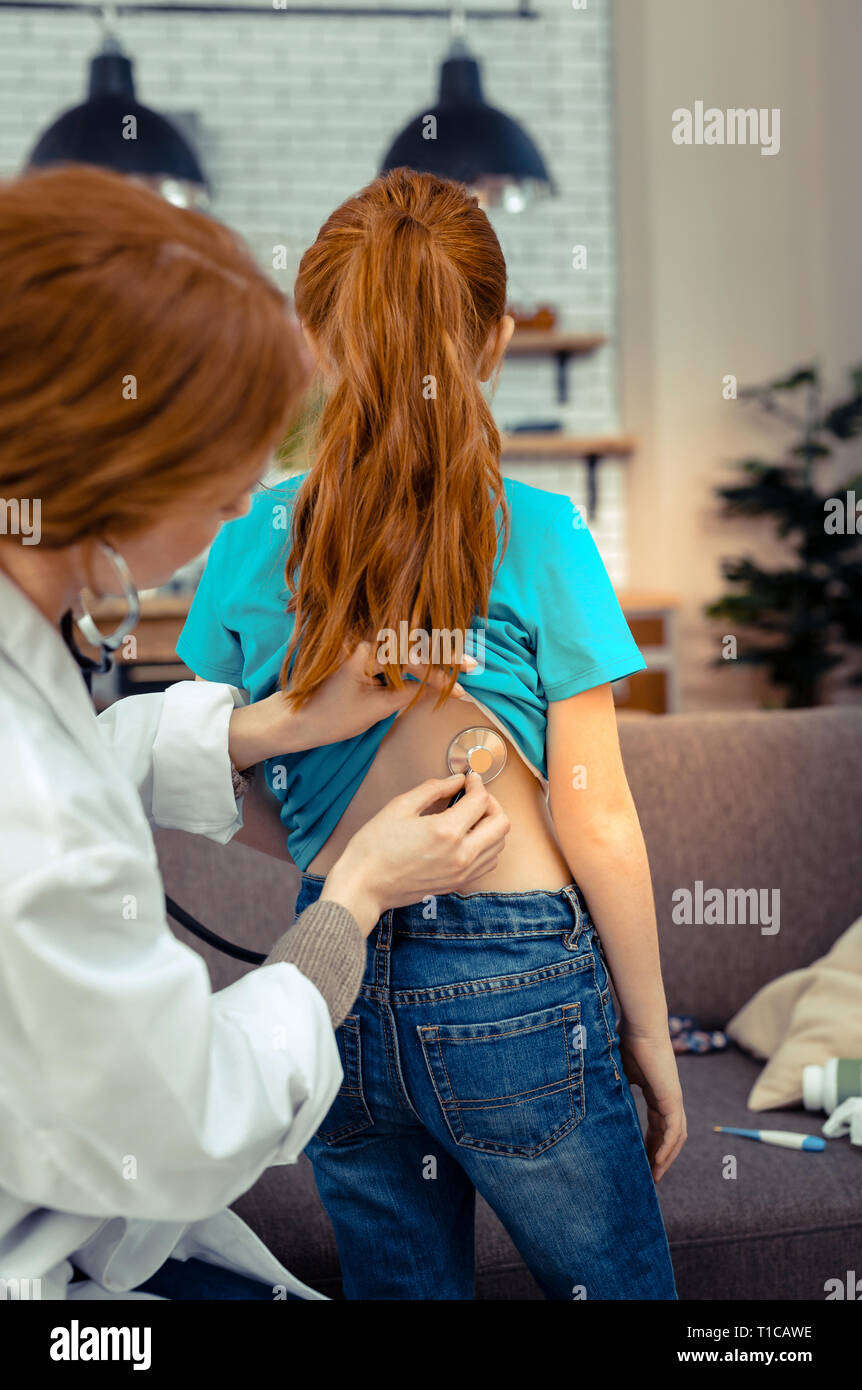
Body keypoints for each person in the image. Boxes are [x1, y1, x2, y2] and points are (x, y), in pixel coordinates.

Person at [0, 164, 509, 1302]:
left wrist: (276, 724)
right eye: (226, 459)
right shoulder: (29, 810)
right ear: (110, 467)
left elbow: (72, 767)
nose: (247, 499)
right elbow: (191, 1116)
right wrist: (352, 904)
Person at [178, 167, 686, 1301]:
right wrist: (647, 1035)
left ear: (314, 336)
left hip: (334, 971)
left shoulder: (245, 541)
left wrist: (343, 866)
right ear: (496, 339)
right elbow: (594, 815)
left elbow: (223, 762)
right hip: (520, 985)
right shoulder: (545, 532)